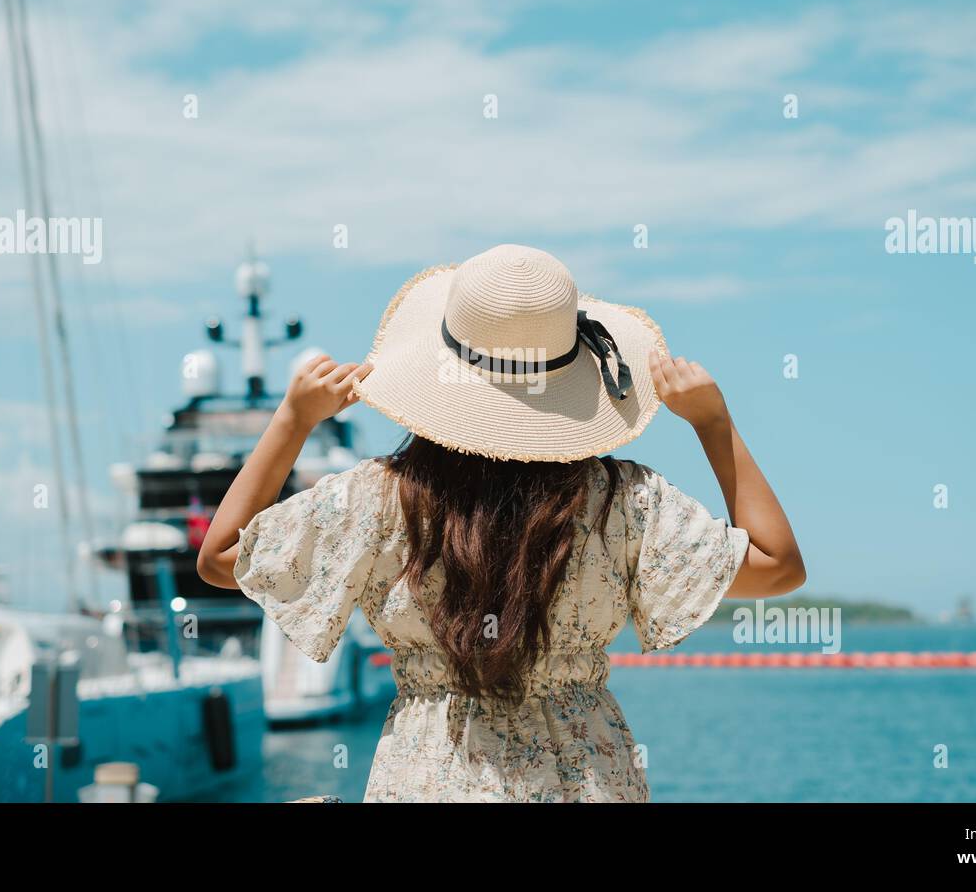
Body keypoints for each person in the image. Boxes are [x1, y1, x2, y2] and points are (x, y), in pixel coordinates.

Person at [198, 244, 804, 802]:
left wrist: (294, 420)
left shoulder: (381, 498)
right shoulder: (623, 501)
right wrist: (712, 423)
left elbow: (221, 558)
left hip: (432, 774)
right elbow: (779, 569)